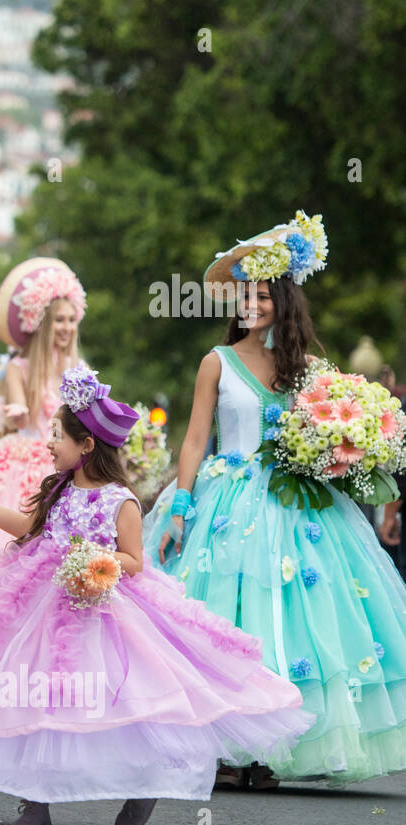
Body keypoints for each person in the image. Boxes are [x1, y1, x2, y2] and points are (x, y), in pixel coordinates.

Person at [0, 368, 312, 825]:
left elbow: (135, 560)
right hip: (39, 606)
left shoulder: (120, 499)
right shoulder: (56, 489)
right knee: (36, 700)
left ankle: (143, 783)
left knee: (123, 698)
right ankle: (34, 803)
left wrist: (97, 561)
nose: (49, 443)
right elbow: (30, 529)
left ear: (86, 444)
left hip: (106, 609)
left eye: (57, 435)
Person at [145, 210, 406, 786]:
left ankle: (274, 749)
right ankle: (231, 751)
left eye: (262, 296)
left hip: (301, 507)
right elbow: (194, 441)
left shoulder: (309, 369)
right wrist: (181, 506)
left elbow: (340, 424)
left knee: (296, 622)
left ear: (282, 301)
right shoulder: (215, 363)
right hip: (225, 505)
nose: (251, 305)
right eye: (244, 295)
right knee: (227, 617)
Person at [0, 258, 87, 557]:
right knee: (10, 548)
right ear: (43, 323)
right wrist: (17, 411)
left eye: (71, 319)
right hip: (24, 465)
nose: (66, 327)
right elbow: (19, 418)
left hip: (66, 465)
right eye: (59, 320)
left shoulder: (81, 369)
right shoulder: (19, 367)